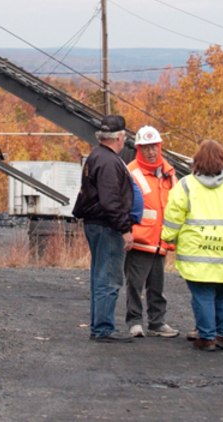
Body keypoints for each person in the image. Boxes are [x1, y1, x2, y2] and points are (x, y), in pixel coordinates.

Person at [161, 140, 223, 351]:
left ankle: (206, 337)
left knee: (202, 294)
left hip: (196, 252)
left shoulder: (185, 185)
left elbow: (173, 215)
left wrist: (168, 237)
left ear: (197, 161)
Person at [71, 114, 136, 343]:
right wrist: (125, 228)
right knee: (108, 278)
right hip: (106, 226)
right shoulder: (109, 161)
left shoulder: (95, 156)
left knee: (100, 276)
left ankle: (100, 325)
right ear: (120, 137)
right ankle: (103, 328)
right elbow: (111, 201)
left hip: (96, 224)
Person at [124, 125, 180, 338]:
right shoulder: (131, 171)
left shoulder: (168, 172)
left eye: (153, 147)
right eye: (145, 147)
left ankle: (157, 322)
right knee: (135, 285)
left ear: (160, 147)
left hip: (161, 240)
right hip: (139, 239)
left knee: (157, 286)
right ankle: (135, 322)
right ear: (138, 148)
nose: (150, 151)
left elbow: (176, 203)